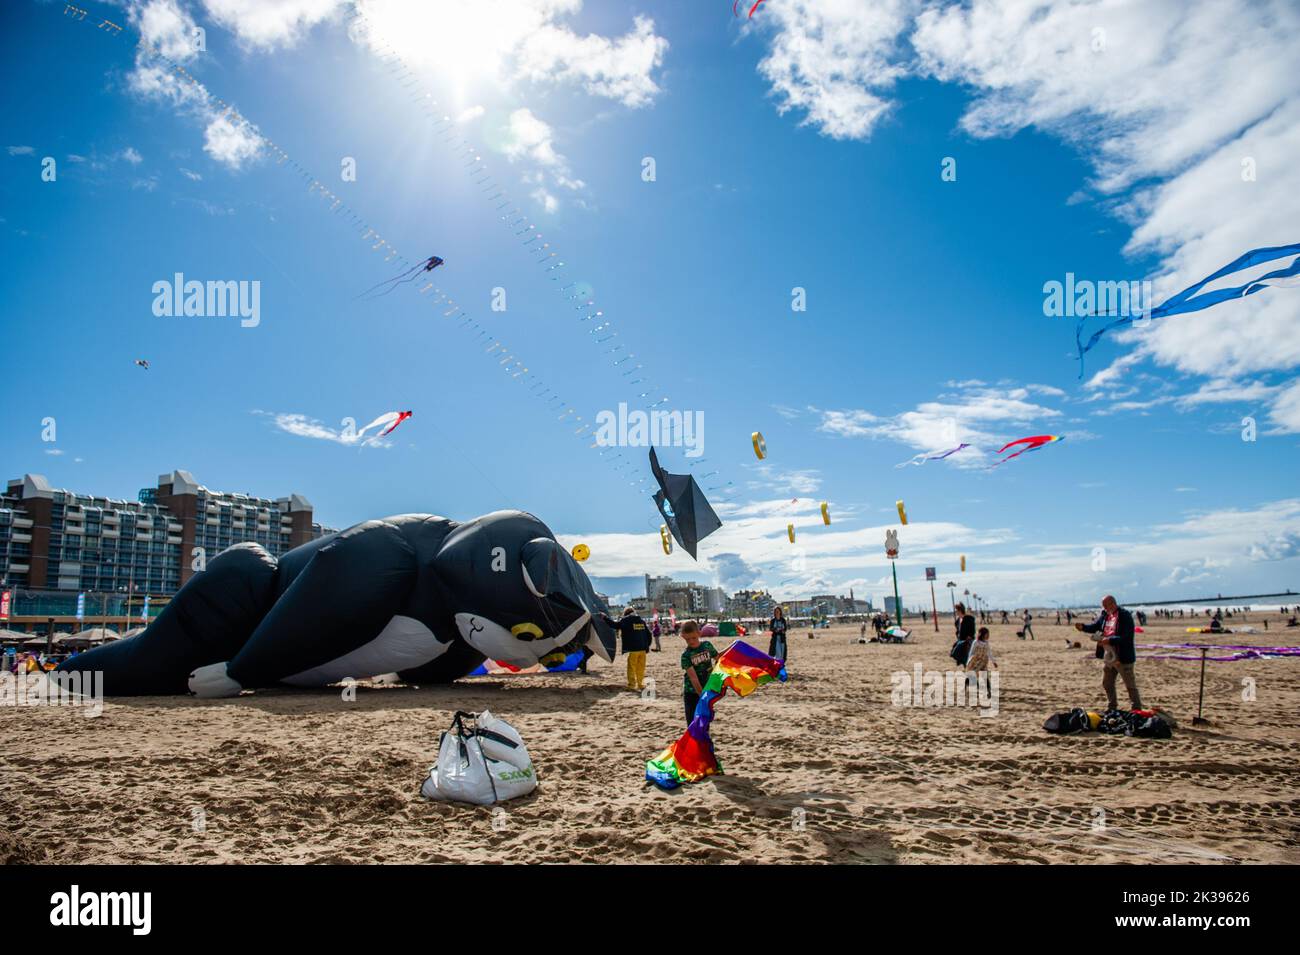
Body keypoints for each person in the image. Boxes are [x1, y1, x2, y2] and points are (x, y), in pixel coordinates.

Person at [1075, 595, 1142, 711]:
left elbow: (1127, 637)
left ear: (1112, 603)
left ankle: (1136, 708)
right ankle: (1112, 707)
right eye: (1103, 606)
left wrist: (1110, 640)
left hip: (1122, 655)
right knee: (1107, 683)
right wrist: (1083, 627)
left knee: (1130, 685)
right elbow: (1096, 626)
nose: (1104, 608)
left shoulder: (1124, 615)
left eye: (1106, 605)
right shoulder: (1105, 615)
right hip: (1109, 655)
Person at [600, 606, 651, 691]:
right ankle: (640, 684)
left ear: (626, 613)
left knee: (631, 667)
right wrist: (647, 646)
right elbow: (648, 634)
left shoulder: (626, 620)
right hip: (643, 649)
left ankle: (632, 685)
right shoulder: (641, 621)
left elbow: (615, 625)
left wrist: (605, 617)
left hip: (634, 649)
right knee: (640, 667)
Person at [680, 620, 719, 726]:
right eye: (688, 639)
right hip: (692, 692)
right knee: (693, 722)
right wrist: (702, 696)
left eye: (693, 638)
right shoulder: (686, 656)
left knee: (705, 722)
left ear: (699, 633)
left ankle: (704, 742)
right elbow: (693, 678)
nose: (691, 641)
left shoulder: (707, 646)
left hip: (706, 689)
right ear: (683, 637)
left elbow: (719, 658)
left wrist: (734, 646)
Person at [965, 626, 997, 693]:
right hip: (975, 661)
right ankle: (966, 683)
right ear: (982, 634)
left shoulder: (986, 643)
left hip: (983, 662)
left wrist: (994, 662)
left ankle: (989, 690)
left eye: (988, 634)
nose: (988, 636)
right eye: (987, 634)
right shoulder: (976, 642)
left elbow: (989, 652)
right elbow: (971, 652)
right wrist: (968, 661)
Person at [950, 602, 975, 666]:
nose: (956, 612)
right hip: (961, 640)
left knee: (968, 659)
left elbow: (973, 630)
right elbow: (958, 630)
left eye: (957, 610)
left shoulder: (969, 619)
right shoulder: (958, 621)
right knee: (958, 655)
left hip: (968, 642)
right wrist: (958, 635)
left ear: (960, 610)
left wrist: (969, 637)